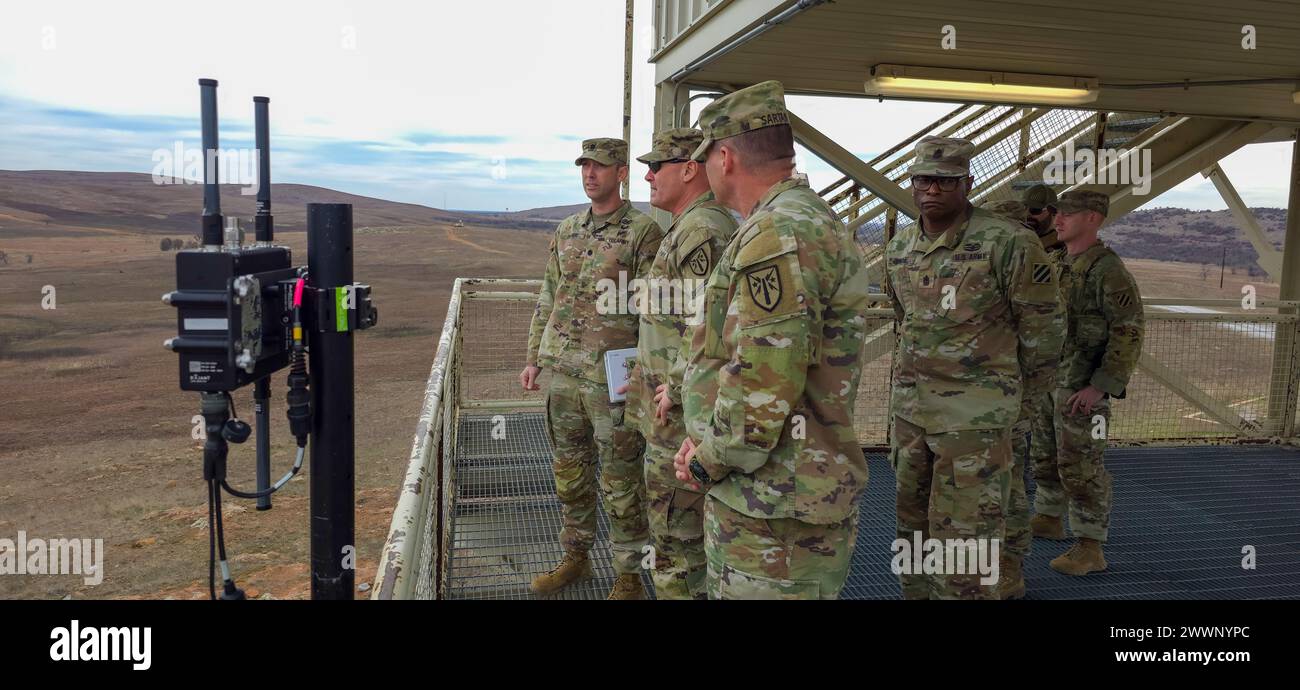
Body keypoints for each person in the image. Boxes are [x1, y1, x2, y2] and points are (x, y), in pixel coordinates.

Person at [671, 80, 872, 599]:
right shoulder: (797, 222)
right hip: (776, 496)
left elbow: (764, 382)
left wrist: (706, 458)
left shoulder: (777, 235)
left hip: (774, 504)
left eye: (707, 158)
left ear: (725, 157)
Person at [884, 136, 1064, 600]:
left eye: (944, 181)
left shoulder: (1008, 242)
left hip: (976, 421)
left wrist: (1017, 406)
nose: (932, 190)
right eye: (923, 179)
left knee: (967, 540)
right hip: (911, 418)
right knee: (913, 527)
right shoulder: (900, 247)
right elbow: (907, 325)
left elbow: (1043, 334)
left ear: (967, 182)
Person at [521, 137, 663, 599]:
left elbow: (655, 311)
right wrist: (533, 358)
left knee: (621, 479)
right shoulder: (567, 230)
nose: (589, 174)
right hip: (564, 372)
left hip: (613, 380)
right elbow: (550, 295)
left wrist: (651, 375)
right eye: (584, 166)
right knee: (569, 471)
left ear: (621, 172)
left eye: (599, 167)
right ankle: (576, 558)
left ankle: (628, 577)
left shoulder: (643, 233)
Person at [619, 127, 737, 600]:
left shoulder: (702, 230)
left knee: (677, 542)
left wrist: (675, 385)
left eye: (657, 166)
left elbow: (705, 325)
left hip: (681, 420)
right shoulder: (688, 226)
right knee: (673, 534)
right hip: (670, 408)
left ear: (690, 170)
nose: (647, 176)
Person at [1048, 189, 1143, 576]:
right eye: (1057, 213)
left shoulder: (1109, 271)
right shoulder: (1059, 264)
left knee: (1083, 465)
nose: (1058, 220)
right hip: (1054, 382)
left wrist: (1100, 386)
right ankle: (1050, 519)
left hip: (1083, 390)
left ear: (1093, 218)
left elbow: (1129, 331)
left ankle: (1090, 547)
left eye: (1067, 214)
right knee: (1049, 458)